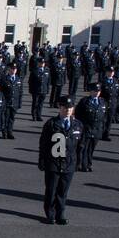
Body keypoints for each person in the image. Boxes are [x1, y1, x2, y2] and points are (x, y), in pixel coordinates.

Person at [39, 96, 82, 225]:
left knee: (63, 191)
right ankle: (50, 214)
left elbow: (80, 146)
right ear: (60, 107)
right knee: (51, 190)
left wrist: (78, 162)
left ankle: (60, 214)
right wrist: (42, 160)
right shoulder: (51, 124)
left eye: (70, 108)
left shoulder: (78, 125)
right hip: (53, 163)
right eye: (65, 108)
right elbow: (44, 144)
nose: (68, 110)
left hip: (69, 163)